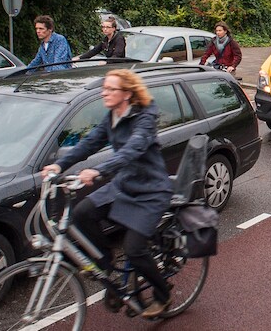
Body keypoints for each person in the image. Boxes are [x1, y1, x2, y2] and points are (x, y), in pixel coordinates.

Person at [40, 69, 174, 318]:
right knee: (82, 214)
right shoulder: (111, 116)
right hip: (123, 185)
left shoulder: (144, 116)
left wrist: (98, 171)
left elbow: (132, 150)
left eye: (111, 89)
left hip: (151, 190)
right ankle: (105, 262)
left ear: (126, 93)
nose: (104, 92)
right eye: (105, 88)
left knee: (134, 249)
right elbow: (90, 142)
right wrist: (59, 165)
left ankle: (163, 293)